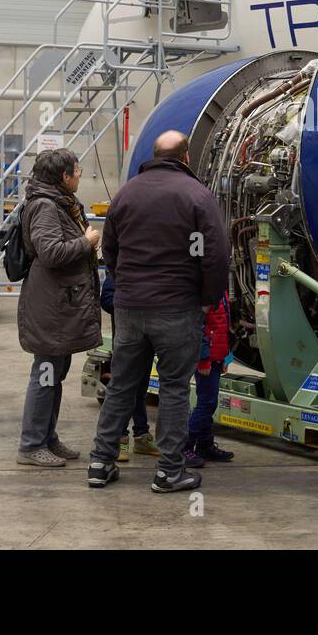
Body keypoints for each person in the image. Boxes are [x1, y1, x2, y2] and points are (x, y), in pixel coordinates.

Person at [88, 130, 229, 493]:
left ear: (154, 155)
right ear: (185, 157)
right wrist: (208, 298)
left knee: (121, 385)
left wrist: (126, 284)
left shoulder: (126, 193)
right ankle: (168, 471)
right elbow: (215, 255)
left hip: (130, 308)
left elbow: (110, 249)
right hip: (177, 307)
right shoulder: (197, 195)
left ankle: (100, 463)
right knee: (174, 389)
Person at [15, 149, 103, 466]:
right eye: (77, 171)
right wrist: (87, 242)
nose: (80, 175)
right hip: (50, 305)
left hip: (60, 302)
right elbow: (50, 252)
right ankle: (31, 445)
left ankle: (46, 438)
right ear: (63, 177)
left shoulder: (59, 204)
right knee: (46, 373)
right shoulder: (45, 206)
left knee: (55, 374)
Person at [99, 267, 160, 462]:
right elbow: (107, 299)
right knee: (124, 390)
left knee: (141, 389)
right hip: (127, 340)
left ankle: (141, 436)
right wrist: (132, 305)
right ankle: (120, 439)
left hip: (149, 338)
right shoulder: (120, 266)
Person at [186, 293, 235, 463]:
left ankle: (204, 445)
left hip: (216, 355)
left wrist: (225, 356)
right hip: (207, 357)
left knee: (209, 402)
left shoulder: (219, 290)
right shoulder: (204, 290)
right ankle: (184, 447)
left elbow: (223, 325)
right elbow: (197, 326)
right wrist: (204, 359)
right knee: (206, 403)